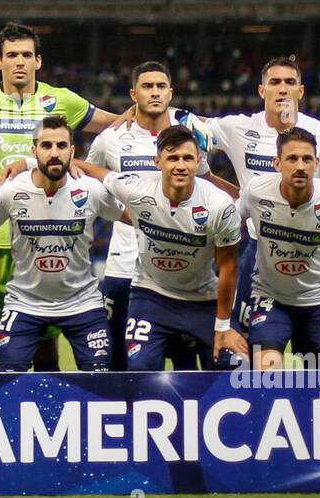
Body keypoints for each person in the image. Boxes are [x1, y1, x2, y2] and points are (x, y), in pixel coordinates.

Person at [0, 22, 162, 371]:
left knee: (45, 341)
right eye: (11, 55)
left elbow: (119, 124)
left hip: (47, 233)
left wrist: (165, 112)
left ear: (38, 61)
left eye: (27, 55)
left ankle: (50, 404)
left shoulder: (62, 99)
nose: (20, 62)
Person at [188, 55, 320, 351]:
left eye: (290, 82)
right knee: (243, 347)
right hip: (260, 249)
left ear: (301, 91)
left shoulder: (319, 131)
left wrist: (314, 202)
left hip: (314, 246)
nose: (282, 89)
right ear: (261, 90)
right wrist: (135, 114)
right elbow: (184, 122)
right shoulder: (236, 128)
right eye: (275, 82)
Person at [85, 61, 235, 369]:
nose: (154, 93)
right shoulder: (111, 138)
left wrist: (245, 199)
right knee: (119, 364)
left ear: (171, 93)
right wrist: (117, 213)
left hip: (181, 268)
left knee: (184, 361)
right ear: (133, 94)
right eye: (147, 87)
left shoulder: (191, 133)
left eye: (160, 87)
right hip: (123, 264)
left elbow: (204, 182)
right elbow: (90, 185)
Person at [69, 126, 246, 371]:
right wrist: (30, 163)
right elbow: (99, 173)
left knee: (236, 367)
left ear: (198, 162)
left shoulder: (219, 205)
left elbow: (229, 266)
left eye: (187, 158)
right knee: (141, 369)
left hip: (203, 298)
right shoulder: (137, 189)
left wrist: (224, 326)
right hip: (151, 296)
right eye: (172, 158)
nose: (180, 166)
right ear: (157, 161)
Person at [0, 116, 122, 371]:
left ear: (72, 151)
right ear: (33, 151)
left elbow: (134, 216)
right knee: (9, 373)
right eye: (46, 146)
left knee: (101, 376)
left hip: (82, 302)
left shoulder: (90, 190)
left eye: (61, 146)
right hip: (24, 303)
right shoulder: (11, 191)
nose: (54, 153)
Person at [238, 128, 320, 370]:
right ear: (277, 163)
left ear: (316, 163)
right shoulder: (255, 192)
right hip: (272, 298)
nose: (300, 166)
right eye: (292, 159)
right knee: (267, 369)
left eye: (307, 159)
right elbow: (227, 229)